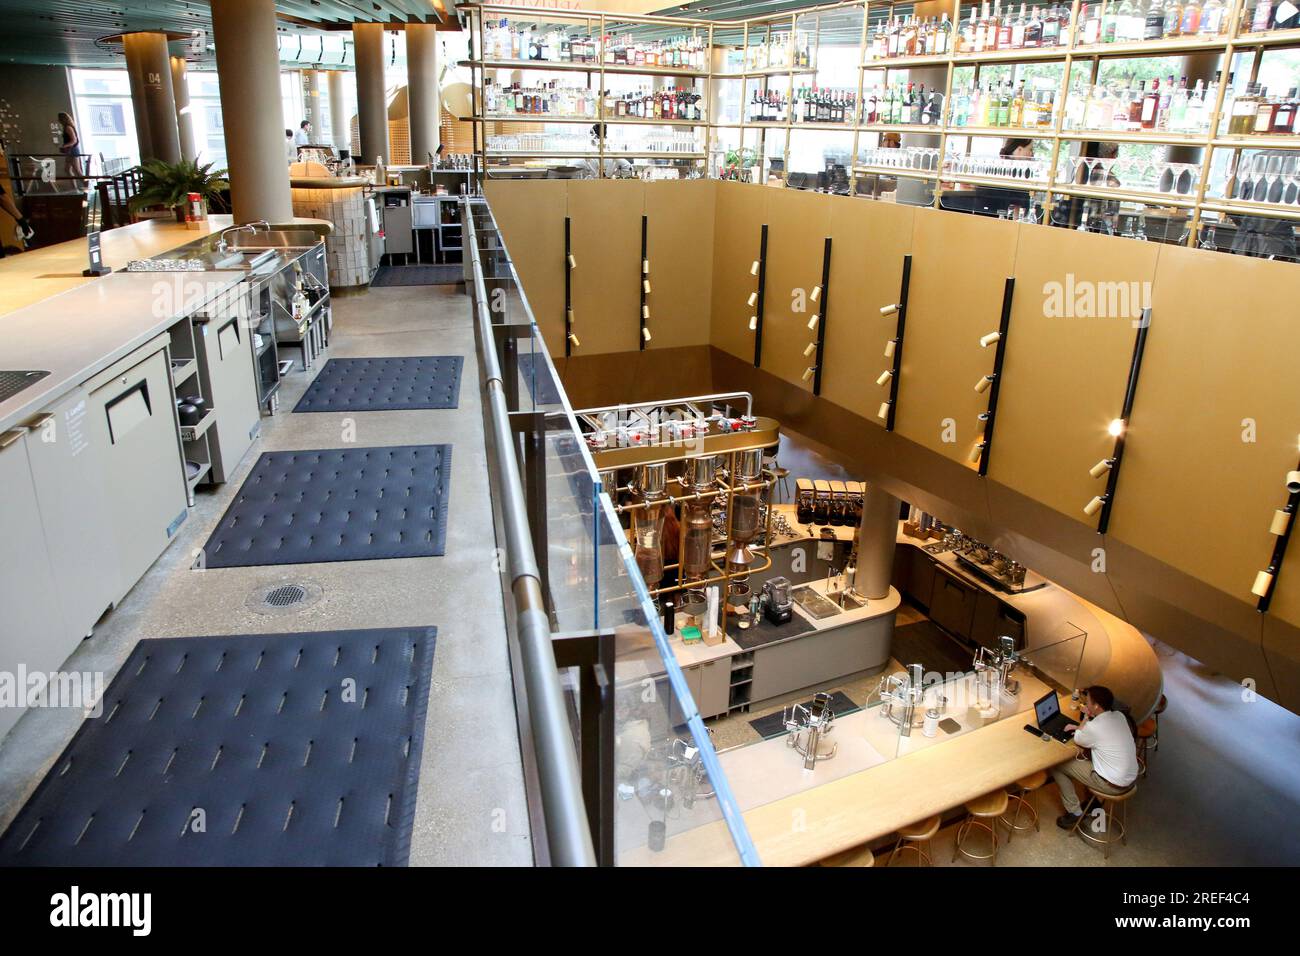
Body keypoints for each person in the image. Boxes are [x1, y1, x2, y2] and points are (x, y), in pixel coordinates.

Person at [1050, 685, 1139, 829]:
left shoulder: (1094, 727)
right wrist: (1091, 717)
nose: (1086, 703)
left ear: (1096, 706)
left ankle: (1074, 813)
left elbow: (1078, 738)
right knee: (1090, 756)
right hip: (1130, 780)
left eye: (1088, 702)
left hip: (1112, 785)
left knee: (1057, 765)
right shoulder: (1119, 716)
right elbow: (1099, 731)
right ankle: (1094, 802)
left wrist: (1085, 718)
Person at [57, 111, 85, 189]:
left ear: (62, 119)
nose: (58, 121)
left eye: (59, 119)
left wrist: (65, 146)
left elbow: (74, 140)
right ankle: (74, 188)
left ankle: (87, 185)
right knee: (67, 169)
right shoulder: (67, 127)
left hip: (73, 150)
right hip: (71, 151)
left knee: (77, 171)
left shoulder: (68, 127)